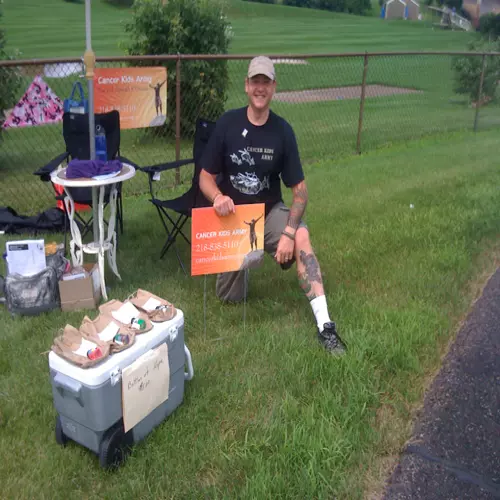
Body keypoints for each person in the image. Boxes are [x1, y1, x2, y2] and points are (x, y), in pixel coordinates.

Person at [199, 56, 346, 355]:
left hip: (269, 214)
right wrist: (218, 198)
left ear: (274, 87)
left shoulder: (282, 131)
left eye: (266, 82)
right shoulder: (228, 123)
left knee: (302, 235)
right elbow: (204, 178)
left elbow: (300, 192)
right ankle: (246, 263)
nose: (260, 88)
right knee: (230, 299)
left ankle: (325, 327)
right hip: (233, 220)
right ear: (246, 85)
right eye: (256, 81)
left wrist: (290, 233)